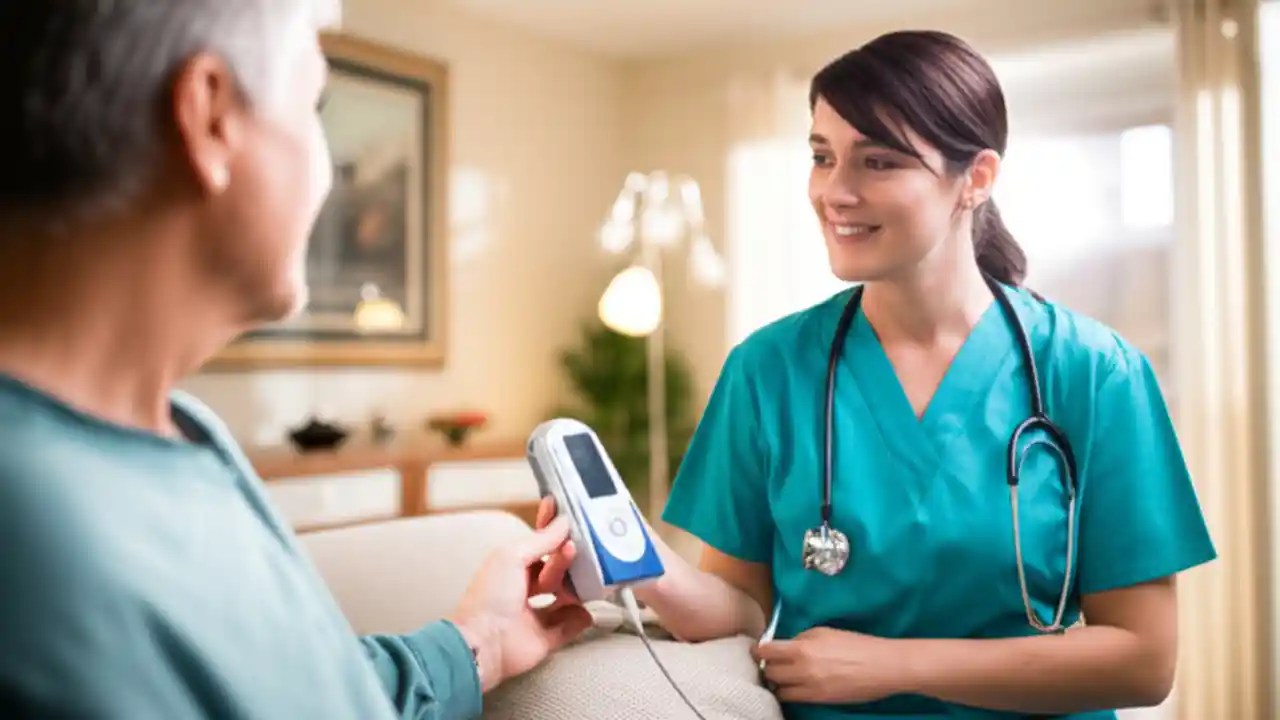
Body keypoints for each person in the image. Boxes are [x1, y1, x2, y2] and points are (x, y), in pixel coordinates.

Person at [0, 2, 592, 719]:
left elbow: (298, 687)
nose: (327, 177)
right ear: (210, 114)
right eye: (314, 104)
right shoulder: (36, 538)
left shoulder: (181, 434)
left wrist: (484, 643)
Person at [610, 29, 1216, 720]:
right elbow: (742, 607)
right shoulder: (768, 370)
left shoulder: (1095, 373)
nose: (834, 192)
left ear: (976, 178)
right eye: (821, 156)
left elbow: (1143, 660)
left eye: (878, 161)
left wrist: (894, 666)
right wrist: (641, 566)